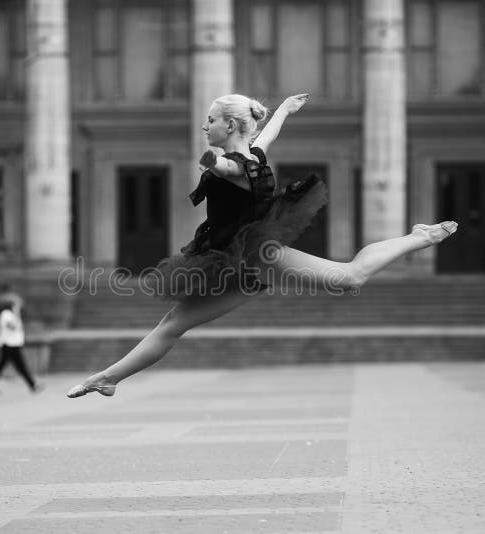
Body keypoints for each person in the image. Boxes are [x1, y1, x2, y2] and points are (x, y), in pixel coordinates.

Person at [66, 92, 457, 399]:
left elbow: (226, 168)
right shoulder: (253, 153)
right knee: (173, 324)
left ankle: (418, 236)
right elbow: (264, 137)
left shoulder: (236, 166)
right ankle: (107, 378)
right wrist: (283, 110)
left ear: (230, 124)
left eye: (211, 120)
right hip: (234, 263)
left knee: (350, 277)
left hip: (256, 255)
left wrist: (209, 160)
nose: (205, 125)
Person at [0, 299, 43, 394]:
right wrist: (17, 314)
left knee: (20, 367)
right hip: (8, 345)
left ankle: (33, 385)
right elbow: (12, 326)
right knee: (3, 366)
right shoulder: (6, 314)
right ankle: (32, 385)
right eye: (16, 306)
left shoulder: (13, 315)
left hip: (14, 345)